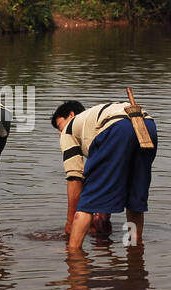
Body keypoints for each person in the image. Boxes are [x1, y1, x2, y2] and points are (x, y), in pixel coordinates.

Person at [51, 98, 158, 251]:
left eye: (59, 127)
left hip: (116, 127)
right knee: (135, 198)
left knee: (86, 204)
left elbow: (75, 178)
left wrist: (69, 226)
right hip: (146, 123)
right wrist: (104, 214)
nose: (60, 133)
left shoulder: (70, 128)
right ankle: (135, 248)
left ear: (71, 115)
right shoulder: (93, 121)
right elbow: (112, 173)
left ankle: (73, 255)